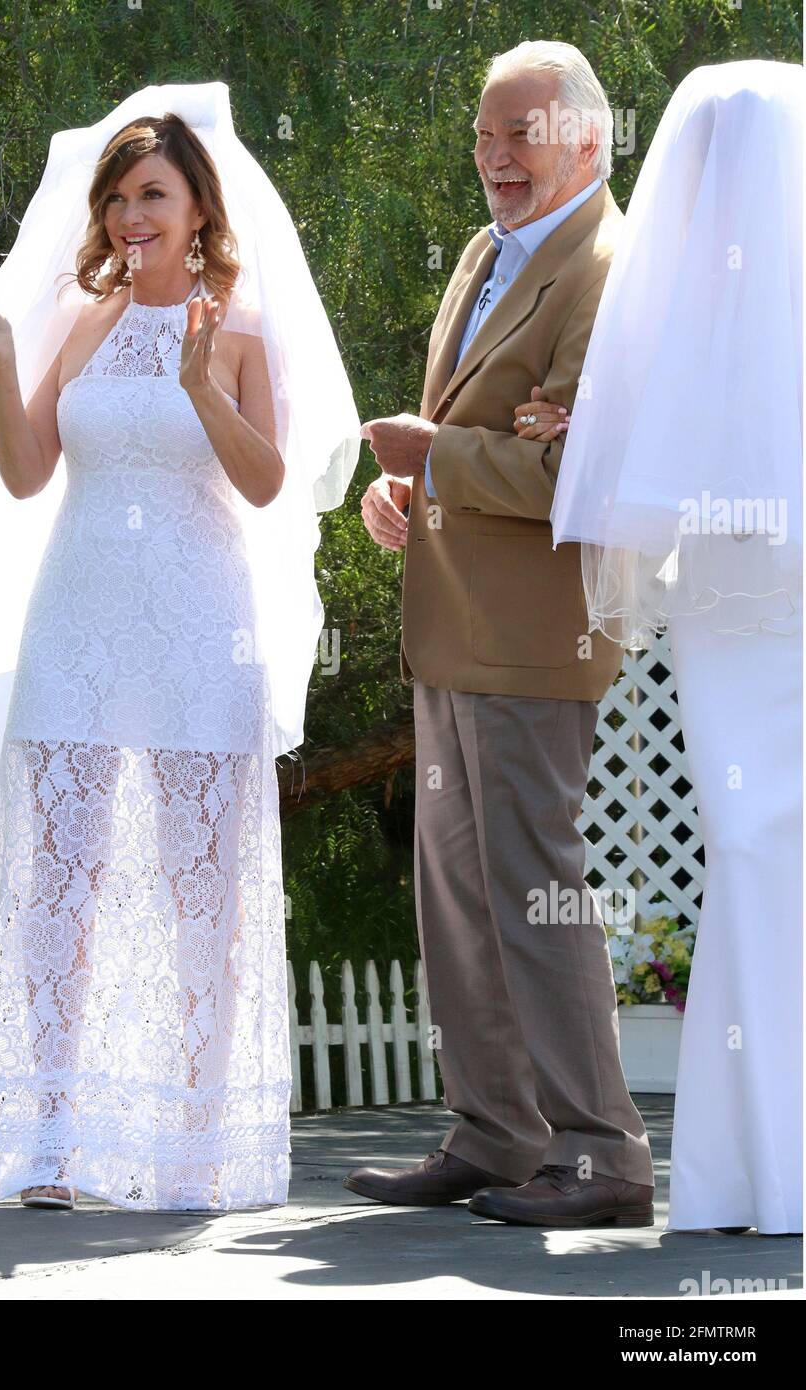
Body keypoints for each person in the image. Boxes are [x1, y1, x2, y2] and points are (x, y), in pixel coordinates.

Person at [0, 82, 360, 1211]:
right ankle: (52, 1142)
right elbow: (23, 470)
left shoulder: (242, 326)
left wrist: (201, 388)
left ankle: (194, 1146)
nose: (128, 216)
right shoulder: (86, 318)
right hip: (78, 614)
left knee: (203, 891)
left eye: (152, 194)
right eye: (116, 199)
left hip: (202, 616)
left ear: (200, 206)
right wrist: (7, 358)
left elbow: (265, 484)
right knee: (61, 876)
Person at [349, 40, 656, 1228]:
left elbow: (581, 469)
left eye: (516, 134)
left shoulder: (612, 269)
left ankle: (605, 1156)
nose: (491, 158)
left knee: (536, 895)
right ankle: (493, 1133)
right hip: (447, 631)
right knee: (457, 903)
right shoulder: (481, 253)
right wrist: (409, 494)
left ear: (585, 136)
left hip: (533, 639)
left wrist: (438, 462)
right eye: (482, 135)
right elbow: (495, 442)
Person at [544, 60, 804, 1236]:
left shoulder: (683, 295)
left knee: (748, 849)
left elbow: (620, 467)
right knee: (755, 854)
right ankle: (765, 1168)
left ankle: (746, 1170)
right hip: (749, 586)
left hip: (718, 591)